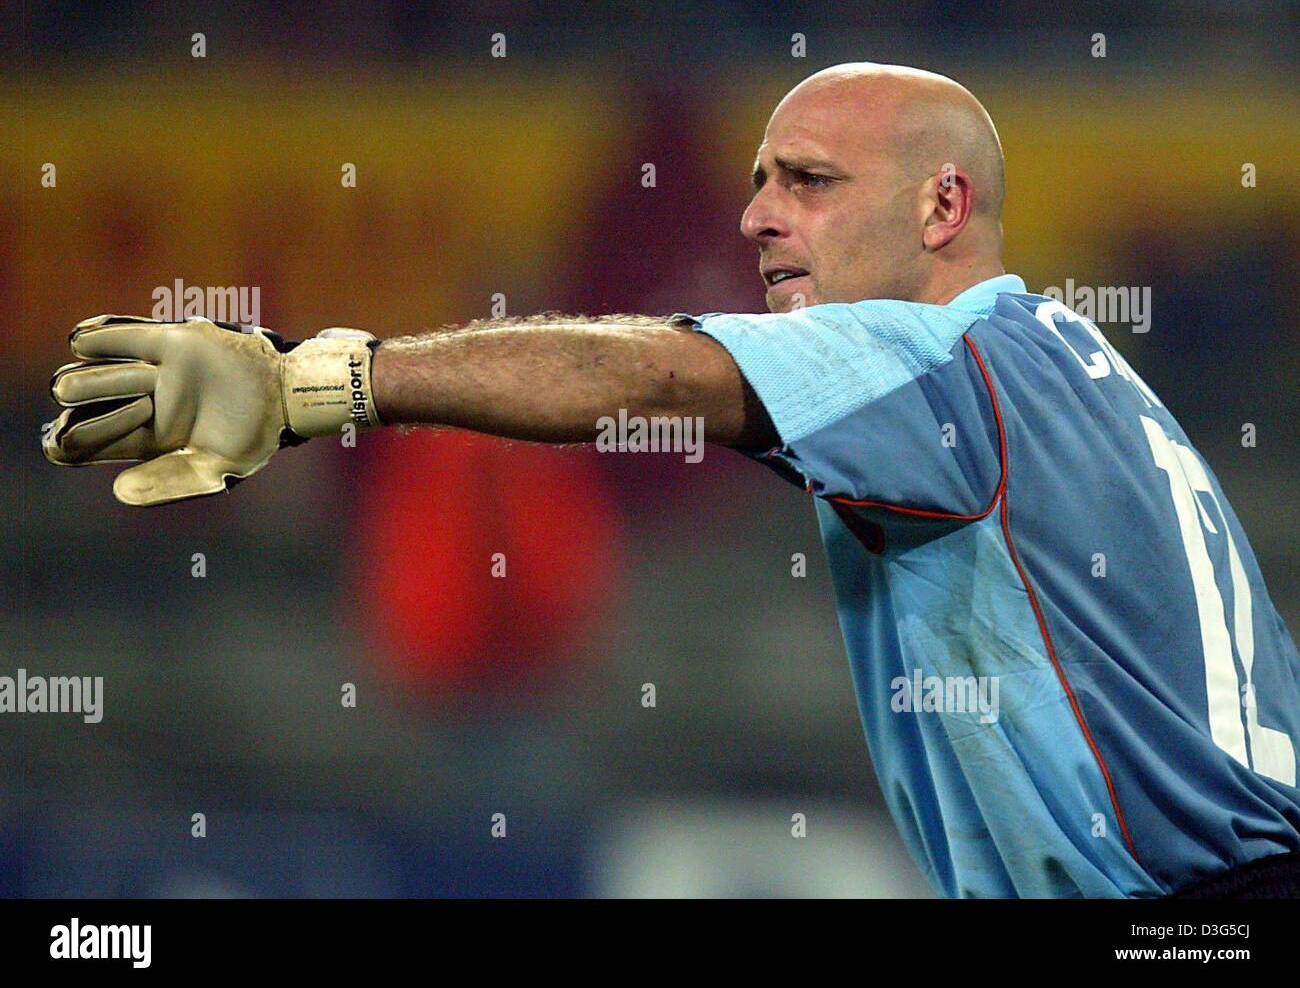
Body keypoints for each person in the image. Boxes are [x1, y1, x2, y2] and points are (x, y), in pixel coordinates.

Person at [43, 63, 1300, 898]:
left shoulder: (928, 356)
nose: (755, 214)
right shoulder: (1061, 349)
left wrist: (312, 383)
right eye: (758, 178)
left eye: (806, 181)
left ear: (942, 205)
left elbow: (640, 375)